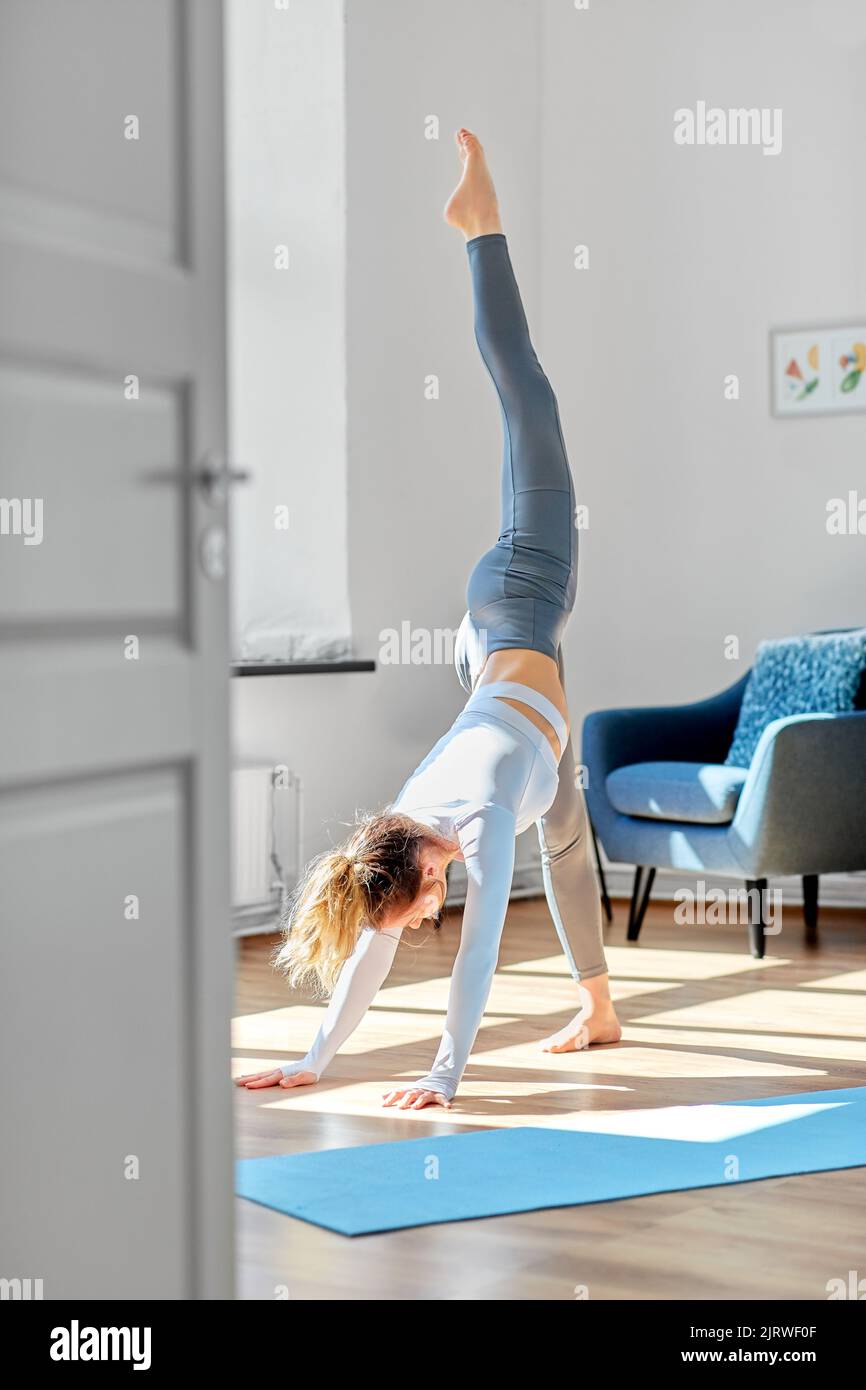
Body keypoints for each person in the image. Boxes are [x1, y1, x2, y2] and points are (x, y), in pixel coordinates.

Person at [235, 130, 621, 1111]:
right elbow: (368, 945)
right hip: (489, 650)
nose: (414, 927)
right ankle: (598, 1004)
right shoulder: (404, 817)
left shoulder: (477, 816)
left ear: (414, 871)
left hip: (523, 597)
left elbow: (481, 945)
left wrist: (443, 1073)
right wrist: (315, 1059)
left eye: (410, 915)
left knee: (525, 392)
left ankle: (478, 227)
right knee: (568, 835)